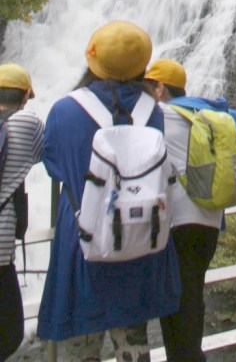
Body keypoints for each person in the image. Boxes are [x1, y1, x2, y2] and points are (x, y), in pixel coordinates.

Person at [37, 21, 181, 361]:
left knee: (82, 343)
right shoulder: (153, 113)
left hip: (83, 241)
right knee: (133, 341)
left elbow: (54, 164)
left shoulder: (65, 110)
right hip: (136, 237)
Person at [145, 57, 236, 362]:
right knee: (193, 293)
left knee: (175, 298)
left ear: (159, 88)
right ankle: (191, 354)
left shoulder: (157, 114)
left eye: (147, 86)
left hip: (175, 221)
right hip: (209, 218)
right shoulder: (212, 111)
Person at [0, 64, 44, 362]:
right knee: (9, 331)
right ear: (25, 96)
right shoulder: (26, 123)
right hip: (1, 252)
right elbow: (47, 153)